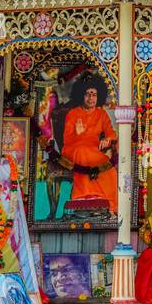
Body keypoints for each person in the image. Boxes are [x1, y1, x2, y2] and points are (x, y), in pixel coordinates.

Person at [59, 79, 118, 212]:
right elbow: (66, 140)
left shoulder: (101, 113)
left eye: (94, 94)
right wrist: (78, 134)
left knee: (108, 168)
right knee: (82, 150)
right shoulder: (73, 113)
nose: (91, 97)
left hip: (92, 149)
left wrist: (108, 138)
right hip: (73, 148)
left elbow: (112, 132)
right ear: (82, 96)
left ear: (98, 97)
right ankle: (83, 196)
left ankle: (106, 202)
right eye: (88, 94)